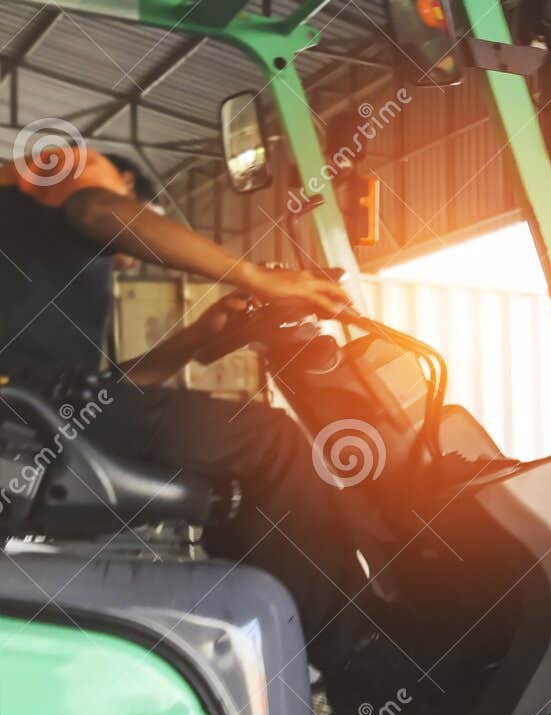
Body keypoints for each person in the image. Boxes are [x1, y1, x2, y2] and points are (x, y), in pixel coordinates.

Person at [0, 139, 369, 665]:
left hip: (36, 411)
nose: (129, 261)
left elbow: (106, 395)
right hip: (28, 412)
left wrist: (198, 337)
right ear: (129, 186)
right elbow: (99, 210)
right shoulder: (84, 173)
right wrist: (257, 276)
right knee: (270, 441)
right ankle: (357, 657)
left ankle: (258, 647)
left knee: (232, 466)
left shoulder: (36, 254)